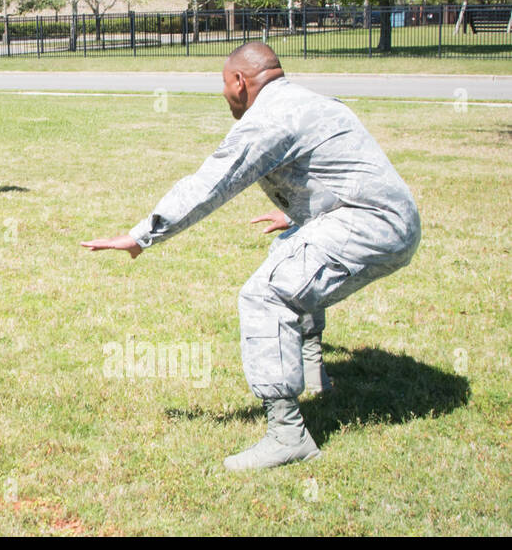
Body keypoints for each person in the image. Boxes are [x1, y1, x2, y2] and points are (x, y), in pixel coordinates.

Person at [82, 42, 421, 471]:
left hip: (371, 224)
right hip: (390, 219)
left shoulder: (268, 119)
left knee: (264, 294)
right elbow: (343, 165)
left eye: (224, 84)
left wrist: (141, 236)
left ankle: (287, 434)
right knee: (290, 255)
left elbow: (210, 184)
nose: (224, 94)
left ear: (240, 82)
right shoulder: (308, 100)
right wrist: (297, 211)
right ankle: (314, 373)